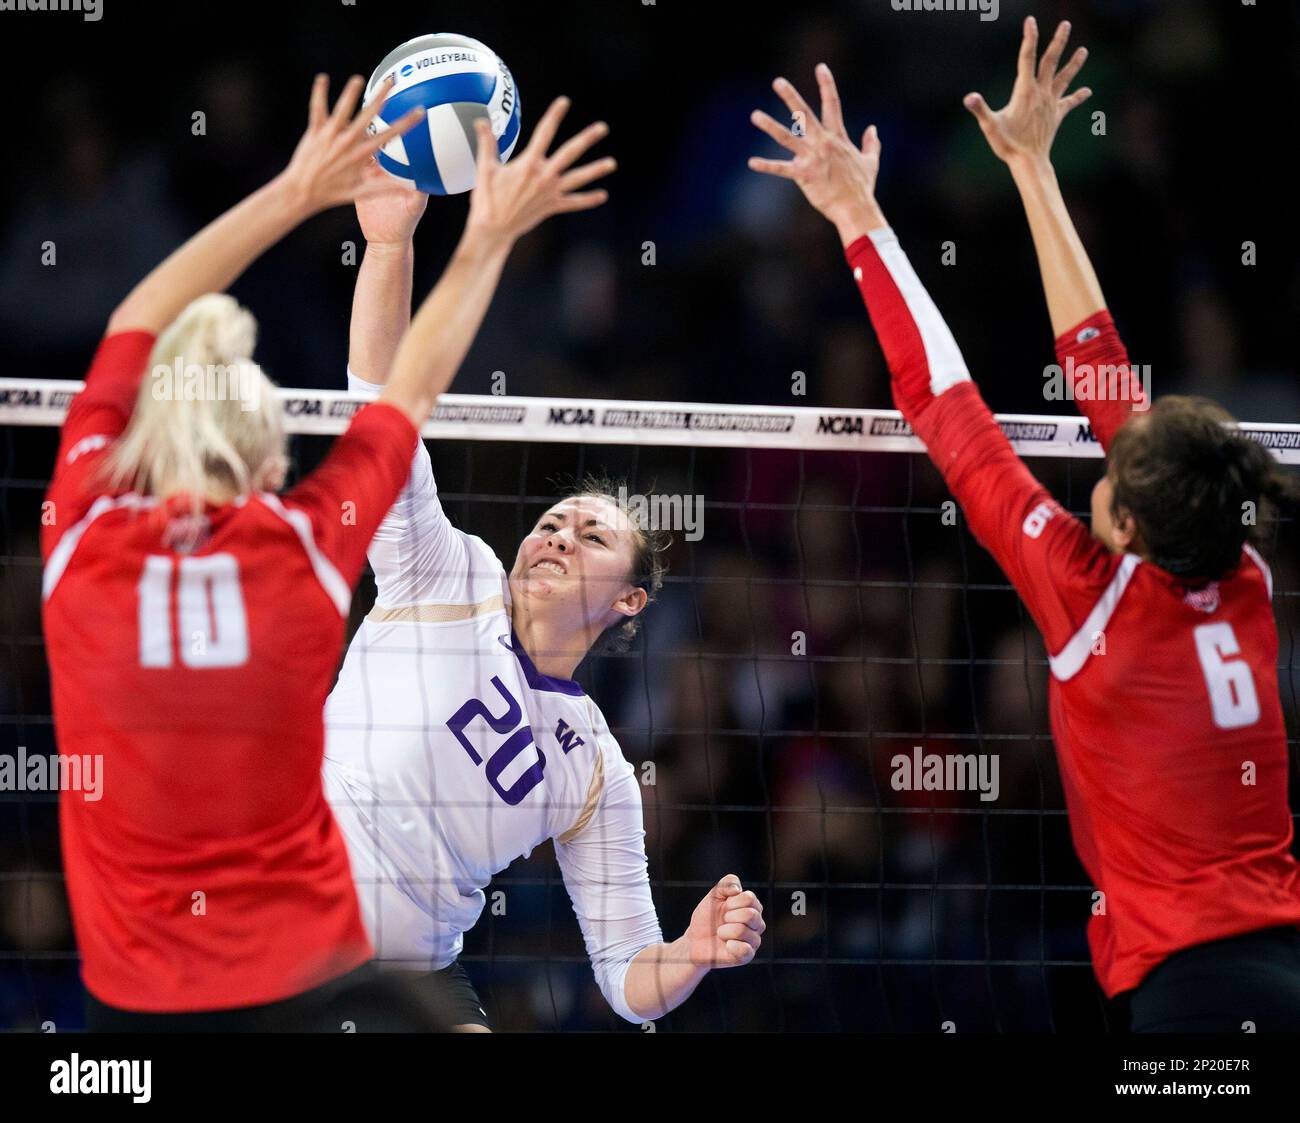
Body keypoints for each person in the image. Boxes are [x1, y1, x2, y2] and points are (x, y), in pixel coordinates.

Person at [749, 19, 1300, 1033]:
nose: (1102, 450)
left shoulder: (1095, 604)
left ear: (1128, 520)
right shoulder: (1241, 570)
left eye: (1112, 470)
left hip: (1189, 996)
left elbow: (943, 404)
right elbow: (1100, 362)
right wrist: (1035, 170)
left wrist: (857, 220)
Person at [42, 73, 607, 1031]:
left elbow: (133, 316)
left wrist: (298, 190)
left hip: (135, 1002)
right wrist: (481, 236)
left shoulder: (79, 534)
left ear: (138, 443)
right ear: (269, 462)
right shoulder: (302, 551)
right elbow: (405, 393)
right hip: (301, 982)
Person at [323, 97, 766, 1031]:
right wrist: (391, 245)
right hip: (286, 928)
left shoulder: (594, 765)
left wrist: (687, 953)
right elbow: (378, 411)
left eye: (591, 536)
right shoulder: (449, 573)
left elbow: (626, 974)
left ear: (630, 601)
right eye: (554, 522)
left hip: (412, 980)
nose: (557, 535)